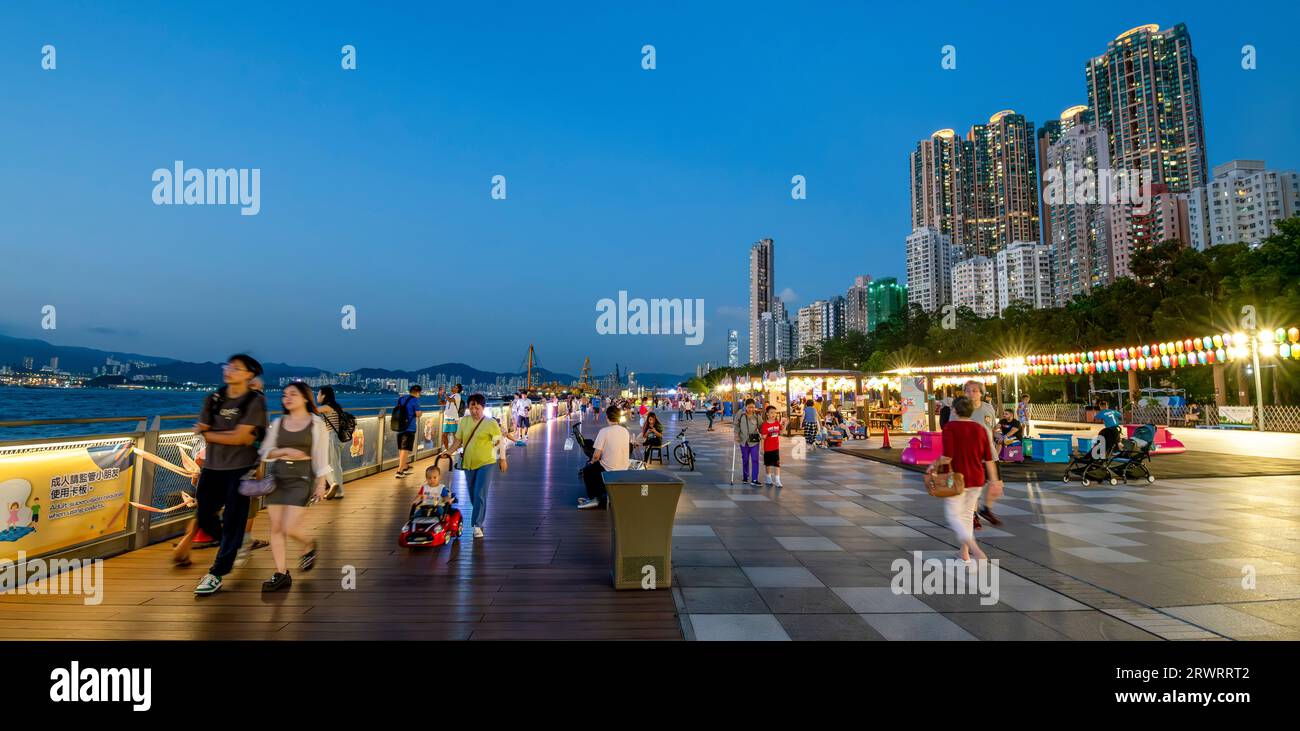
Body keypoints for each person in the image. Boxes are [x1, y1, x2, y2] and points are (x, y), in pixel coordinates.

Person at [192, 354, 268, 596]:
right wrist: (222, 434)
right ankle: (237, 543)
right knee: (204, 514)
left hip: (241, 468)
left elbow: (243, 438)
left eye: (237, 368)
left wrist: (211, 435)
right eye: (228, 366)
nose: (229, 370)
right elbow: (204, 429)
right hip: (213, 466)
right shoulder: (214, 399)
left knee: (235, 518)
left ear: (249, 375)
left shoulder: (254, 402)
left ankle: (216, 573)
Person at [257, 383, 332, 591]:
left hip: (302, 477)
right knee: (276, 527)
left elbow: (321, 455)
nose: (287, 398)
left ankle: (308, 545)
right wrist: (283, 451)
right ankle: (281, 573)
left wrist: (321, 482)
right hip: (279, 476)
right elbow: (265, 452)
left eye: (293, 394)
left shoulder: (316, 424)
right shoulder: (279, 422)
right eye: (284, 395)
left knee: (289, 526)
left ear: (306, 398)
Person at [930, 396, 1001, 562]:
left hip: (957, 479)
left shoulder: (950, 428)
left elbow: (947, 457)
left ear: (954, 410)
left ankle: (975, 549)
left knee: (953, 516)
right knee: (968, 516)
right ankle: (964, 553)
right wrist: (995, 480)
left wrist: (932, 466)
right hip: (977, 478)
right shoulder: (980, 429)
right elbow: (989, 458)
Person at [446, 393, 507, 538]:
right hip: (468, 463)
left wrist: (502, 459)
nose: (474, 411)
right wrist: (448, 453)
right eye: (472, 408)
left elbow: (499, 442)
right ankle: (479, 516)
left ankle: (477, 525)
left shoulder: (490, 423)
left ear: (482, 408)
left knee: (480, 493)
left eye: (477, 408)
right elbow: (458, 441)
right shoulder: (464, 421)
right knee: (474, 494)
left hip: (487, 462)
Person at [962, 380, 1001, 529]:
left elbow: (990, 428)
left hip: (990, 453)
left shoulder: (988, 408)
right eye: (968, 390)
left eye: (975, 390)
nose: (972, 393)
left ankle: (986, 509)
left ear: (981, 393)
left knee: (997, 484)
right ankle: (973, 515)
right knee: (974, 487)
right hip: (972, 455)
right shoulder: (961, 409)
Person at [579, 405, 630, 510]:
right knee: (595, 467)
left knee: (588, 471)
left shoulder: (604, 431)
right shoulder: (625, 431)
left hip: (609, 469)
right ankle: (601, 496)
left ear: (607, 417)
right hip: (624, 467)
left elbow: (596, 455)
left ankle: (594, 498)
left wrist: (592, 462)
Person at [317, 385, 346, 499]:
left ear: (324, 395)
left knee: (333, 465)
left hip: (332, 437)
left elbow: (312, 410)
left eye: (318, 394)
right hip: (335, 437)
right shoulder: (335, 406)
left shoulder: (327, 407)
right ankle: (335, 485)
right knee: (328, 464)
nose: (317, 396)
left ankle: (338, 490)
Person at [394, 385, 422, 478]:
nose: (420, 395)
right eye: (420, 393)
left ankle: (404, 466)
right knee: (405, 449)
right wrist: (420, 413)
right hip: (409, 427)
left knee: (401, 448)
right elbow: (418, 414)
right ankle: (399, 471)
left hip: (399, 426)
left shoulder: (401, 398)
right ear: (417, 392)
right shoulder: (415, 400)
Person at [734, 398, 762, 486]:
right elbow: (736, 424)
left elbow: (761, 427)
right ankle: (745, 476)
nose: (751, 409)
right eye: (749, 407)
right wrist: (736, 434)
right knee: (745, 459)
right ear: (745, 406)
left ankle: (754, 479)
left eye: (753, 407)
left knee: (755, 459)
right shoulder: (740, 414)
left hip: (754, 440)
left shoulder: (757, 416)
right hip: (743, 440)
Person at [759, 405, 787, 487]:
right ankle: (768, 478)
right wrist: (762, 448)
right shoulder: (765, 425)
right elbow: (763, 438)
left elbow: (781, 433)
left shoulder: (777, 423)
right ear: (767, 414)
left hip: (775, 448)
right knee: (768, 464)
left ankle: (777, 480)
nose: (773, 414)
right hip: (767, 448)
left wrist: (785, 425)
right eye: (771, 413)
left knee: (777, 464)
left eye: (775, 413)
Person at [441, 386, 462, 452]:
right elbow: (442, 403)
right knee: (444, 435)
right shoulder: (451, 396)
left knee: (455, 435)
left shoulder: (457, 396)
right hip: (447, 417)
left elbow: (450, 400)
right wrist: (439, 395)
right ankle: (447, 450)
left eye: (455, 387)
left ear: (458, 389)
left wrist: (444, 393)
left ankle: (456, 450)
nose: (452, 387)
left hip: (453, 417)